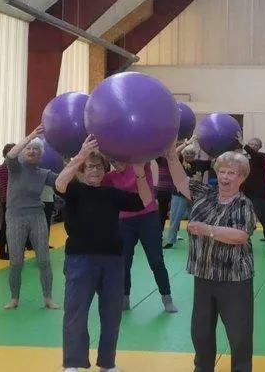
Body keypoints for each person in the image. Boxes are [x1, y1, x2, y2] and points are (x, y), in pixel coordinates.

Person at [57, 136, 153, 372]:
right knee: (75, 312)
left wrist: (140, 173)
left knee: (111, 316)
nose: (96, 171)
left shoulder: (112, 193)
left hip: (112, 261)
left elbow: (145, 201)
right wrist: (81, 155)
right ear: (83, 169)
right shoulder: (75, 190)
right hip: (80, 259)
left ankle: (107, 363)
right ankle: (72, 362)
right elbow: (59, 183)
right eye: (91, 166)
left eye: (100, 166)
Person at [166, 146, 257, 372]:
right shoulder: (204, 193)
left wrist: (208, 230)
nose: (225, 177)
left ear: (242, 177)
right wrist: (170, 154)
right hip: (204, 276)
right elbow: (180, 181)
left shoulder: (243, 204)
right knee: (201, 332)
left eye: (232, 173)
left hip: (234, 279)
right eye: (223, 172)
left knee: (239, 334)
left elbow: (241, 235)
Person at [104, 159, 178, 313]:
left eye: (117, 159)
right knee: (123, 262)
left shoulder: (140, 165)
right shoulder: (110, 177)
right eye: (112, 161)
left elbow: (149, 148)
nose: (116, 163)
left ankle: (167, 297)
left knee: (156, 260)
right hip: (124, 222)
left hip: (148, 218)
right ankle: (124, 298)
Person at [3, 125, 59, 310]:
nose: (32, 151)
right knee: (16, 261)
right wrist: (32, 136)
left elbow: (62, 181)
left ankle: (48, 298)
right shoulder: (15, 168)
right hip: (15, 217)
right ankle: (14, 298)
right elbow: (11, 155)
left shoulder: (43, 174)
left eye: (36, 149)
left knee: (43, 259)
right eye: (29, 148)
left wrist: (73, 160)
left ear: (41, 155)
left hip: (36, 216)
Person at [164, 142, 210, 249]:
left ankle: (197, 241)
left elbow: (214, 160)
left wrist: (206, 145)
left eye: (192, 153)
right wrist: (186, 143)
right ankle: (171, 241)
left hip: (195, 197)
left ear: (195, 154)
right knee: (175, 219)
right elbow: (174, 153)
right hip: (179, 195)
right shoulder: (178, 163)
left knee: (196, 220)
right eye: (187, 153)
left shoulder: (201, 163)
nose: (189, 155)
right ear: (183, 154)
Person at [243, 137, 265, 251]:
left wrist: (243, 143)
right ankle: (245, 241)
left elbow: (254, 155)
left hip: (258, 193)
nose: (253, 146)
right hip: (245, 193)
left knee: (263, 218)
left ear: (259, 147)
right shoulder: (244, 159)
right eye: (251, 144)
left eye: (256, 145)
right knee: (245, 218)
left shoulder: (261, 156)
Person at [0, 143, 16, 260]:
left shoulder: (10, 167)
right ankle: (3, 252)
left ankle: (9, 251)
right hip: (8, 200)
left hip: (12, 200)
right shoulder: (4, 169)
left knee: (9, 226)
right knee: (6, 226)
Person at [155, 156, 175, 231]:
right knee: (162, 212)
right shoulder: (160, 159)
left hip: (173, 190)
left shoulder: (173, 160)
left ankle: (174, 233)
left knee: (174, 213)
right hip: (162, 190)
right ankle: (160, 231)